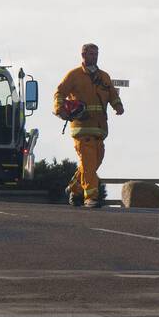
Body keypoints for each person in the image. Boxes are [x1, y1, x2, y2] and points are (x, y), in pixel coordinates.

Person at [52, 43, 123, 208]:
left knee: (93, 162)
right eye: (91, 54)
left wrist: (118, 105)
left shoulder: (104, 77)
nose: (94, 57)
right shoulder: (74, 75)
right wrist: (60, 109)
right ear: (83, 55)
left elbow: (112, 94)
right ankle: (90, 197)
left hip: (100, 129)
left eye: (96, 54)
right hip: (82, 128)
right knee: (89, 162)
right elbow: (59, 93)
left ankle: (75, 188)